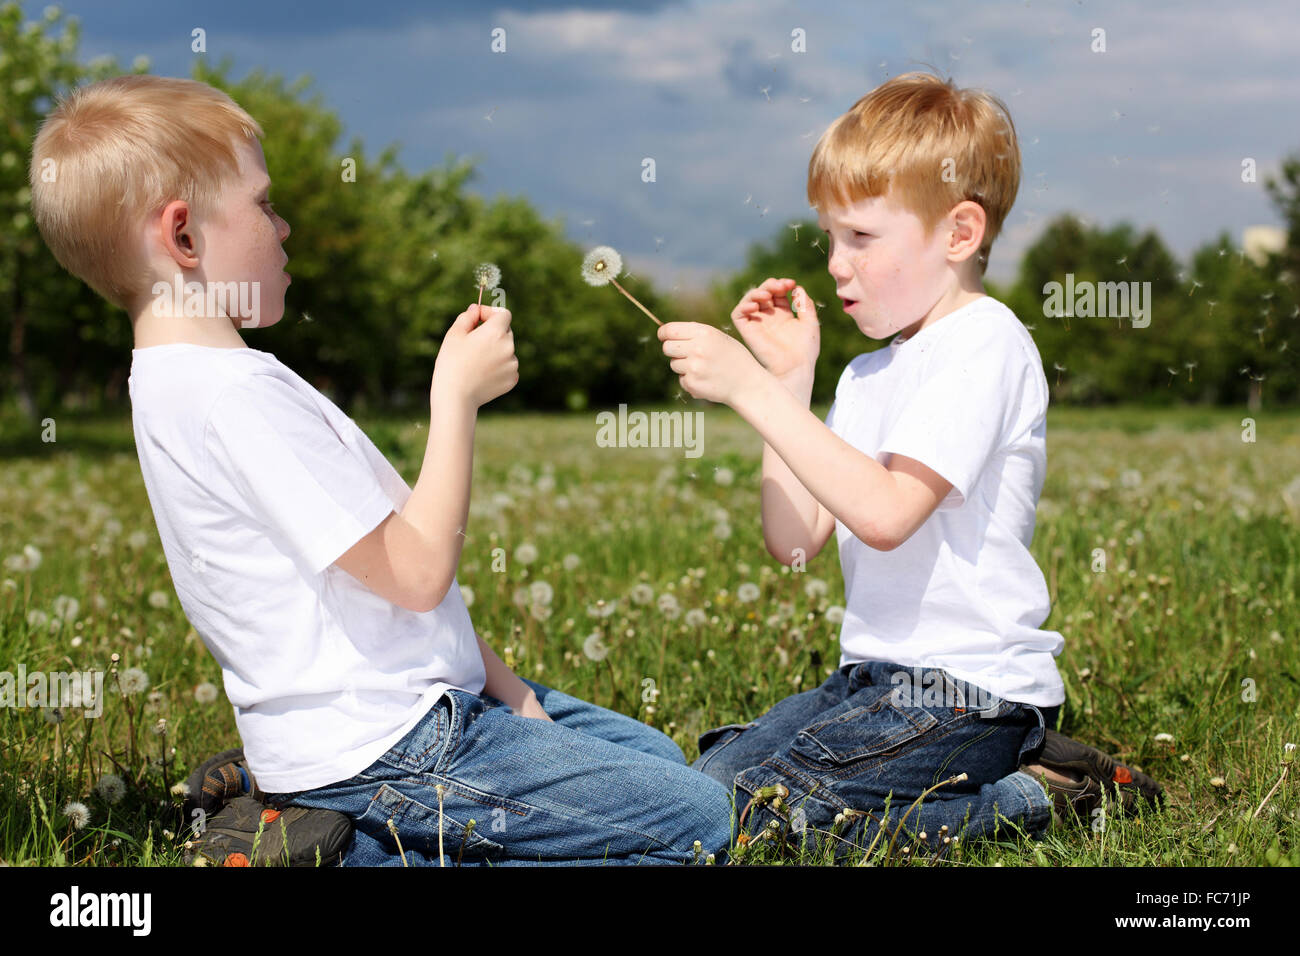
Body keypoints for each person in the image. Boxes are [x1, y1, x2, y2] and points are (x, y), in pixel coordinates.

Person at [29, 74, 731, 866]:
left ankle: (299, 811)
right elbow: (418, 573)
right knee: (702, 819)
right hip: (390, 744)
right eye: (264, 204)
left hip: (422, 708)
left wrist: (517, 697)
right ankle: (344, 845)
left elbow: (406, 610)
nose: (285, 225)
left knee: (659, 765)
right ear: (184, 238)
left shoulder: (181, 383)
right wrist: (455, 399)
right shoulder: (236, 399)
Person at [657, 71, 1162, 856]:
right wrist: (790, 385)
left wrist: (752, 391)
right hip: (871, 681)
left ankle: (1041, 794)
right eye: (828, 237)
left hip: (970, 695)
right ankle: (1021, 785)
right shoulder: (865, 376)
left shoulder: (985, 343)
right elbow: (794, 543)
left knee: (751, 822)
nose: (835, 264)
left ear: (959, 233)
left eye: (860, 237)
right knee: (699, 790)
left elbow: (888, 513)